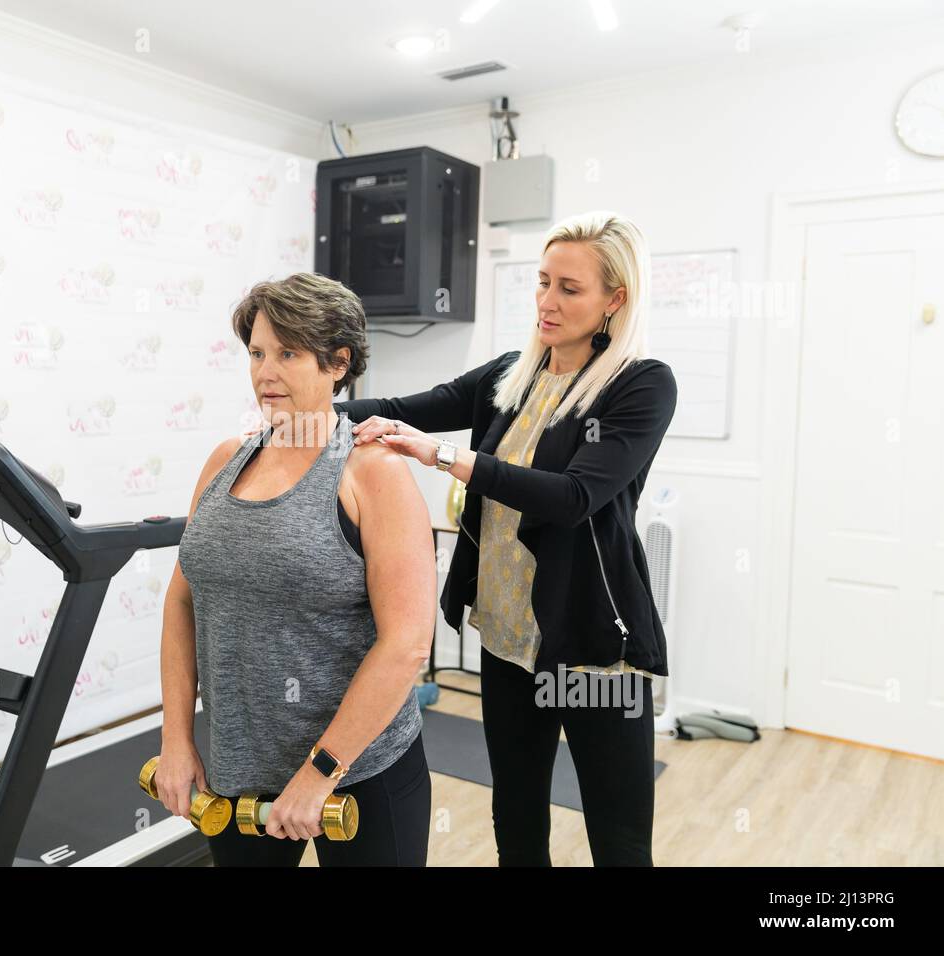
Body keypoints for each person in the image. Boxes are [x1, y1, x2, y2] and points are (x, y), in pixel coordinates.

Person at [335, 210, 677, 866]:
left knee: (620, 836)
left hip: (592, 650)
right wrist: (306, 405)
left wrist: (441, 458)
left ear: (616, 299)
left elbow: (574, 498)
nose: (547, 301)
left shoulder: (641, 385)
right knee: (515, 817)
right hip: (508, 637)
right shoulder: (510, 376)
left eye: (569, 289)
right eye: (543, 281)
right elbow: (404, 409)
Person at [157, 272, 435, 866]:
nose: (265, 372)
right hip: (241, 767)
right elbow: (184, 600)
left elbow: (408, 643)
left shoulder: (371, 471)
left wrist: (320, 772)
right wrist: (176, 738)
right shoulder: (225, 461)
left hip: (360, 770)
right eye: (257, 352)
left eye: (288, 353)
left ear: (338, 363)